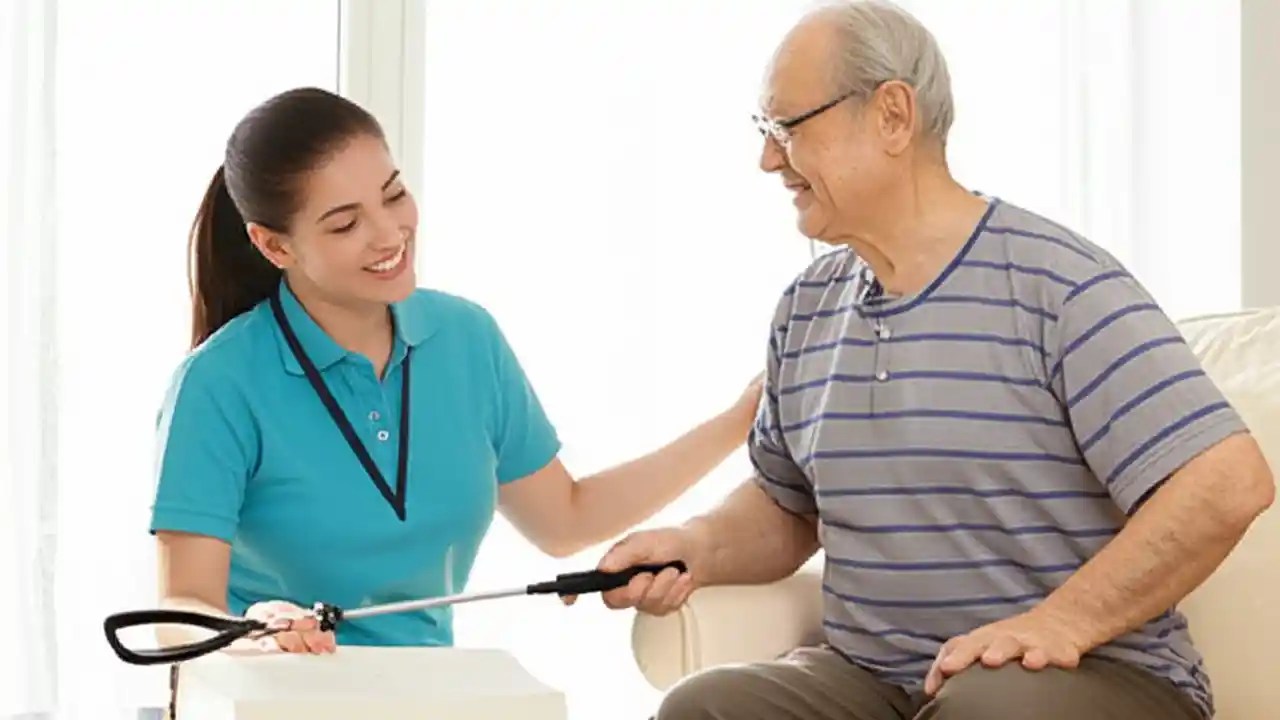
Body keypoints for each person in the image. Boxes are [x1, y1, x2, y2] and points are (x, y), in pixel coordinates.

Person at [593, 2, 1276, 719]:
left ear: (892, 115)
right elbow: (787, 508)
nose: (768, 158)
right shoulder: (807, 307)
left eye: (785, 128)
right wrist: (694, 544)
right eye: (765, 132)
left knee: (986, 707)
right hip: (884, 681)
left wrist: (1063, 621)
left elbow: (1228, 483)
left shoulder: (1058, 285)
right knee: (706, 709)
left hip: (1098, 677)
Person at [149, 86, 759, 658]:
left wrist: (740, 421)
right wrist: (253, 634)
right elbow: (180, 610)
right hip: (272, 701)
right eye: (345, 223)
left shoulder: (467, 339)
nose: (390, 233)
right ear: (275, 247)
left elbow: (566, 519)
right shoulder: (218, 384)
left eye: (392, 194)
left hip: (431, 695)